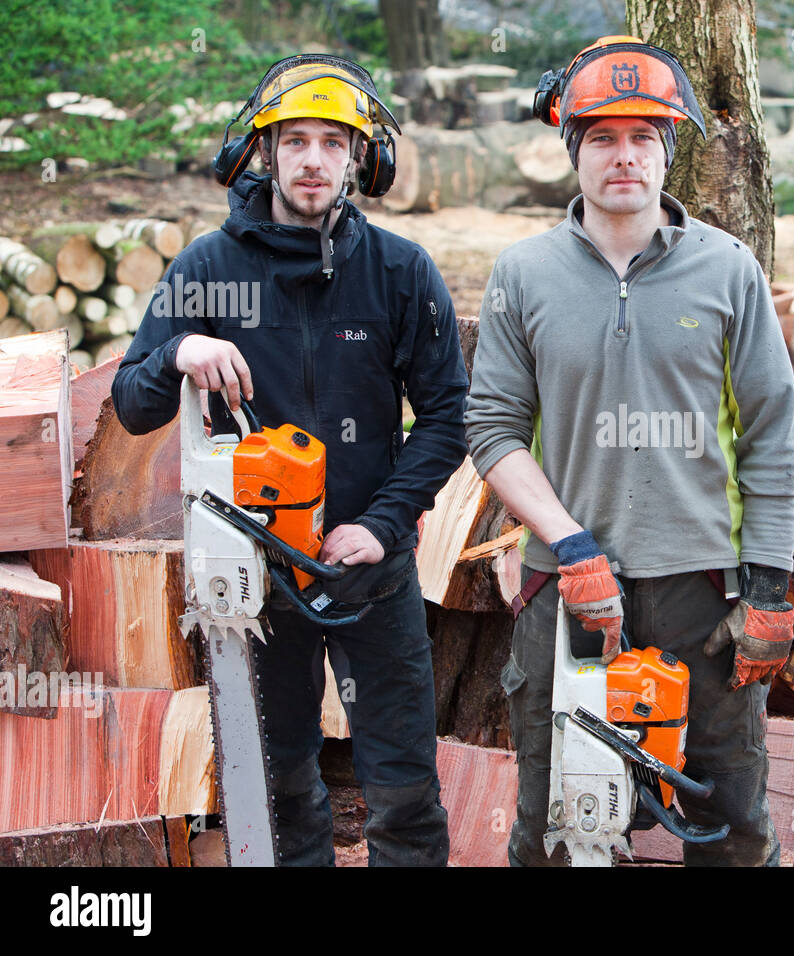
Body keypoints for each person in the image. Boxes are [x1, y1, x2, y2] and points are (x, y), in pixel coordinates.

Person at [111, 54, 469, 866]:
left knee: (405, 782)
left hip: (370, 569)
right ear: (262, 152)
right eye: (295, 140)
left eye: (333, 143)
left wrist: (382, 524)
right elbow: (133, 403)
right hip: (256, 573)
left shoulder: (400, 272)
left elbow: (450, 413)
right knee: (278, 783)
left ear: (360, 158)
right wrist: (179, 348)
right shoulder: (207, 268)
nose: (314, 160)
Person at [465, 36, 794, 866]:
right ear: (573, 148)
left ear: (668, 150)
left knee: (730, 823)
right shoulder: (523, 272)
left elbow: (771, 430)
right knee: (558, 821)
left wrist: (767, 584)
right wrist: (571, 543)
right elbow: (493, 429)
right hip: (568, 590)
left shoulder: (728, 270)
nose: (624, 156)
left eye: (643, 136)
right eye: (603, 137)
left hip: (707, 593)